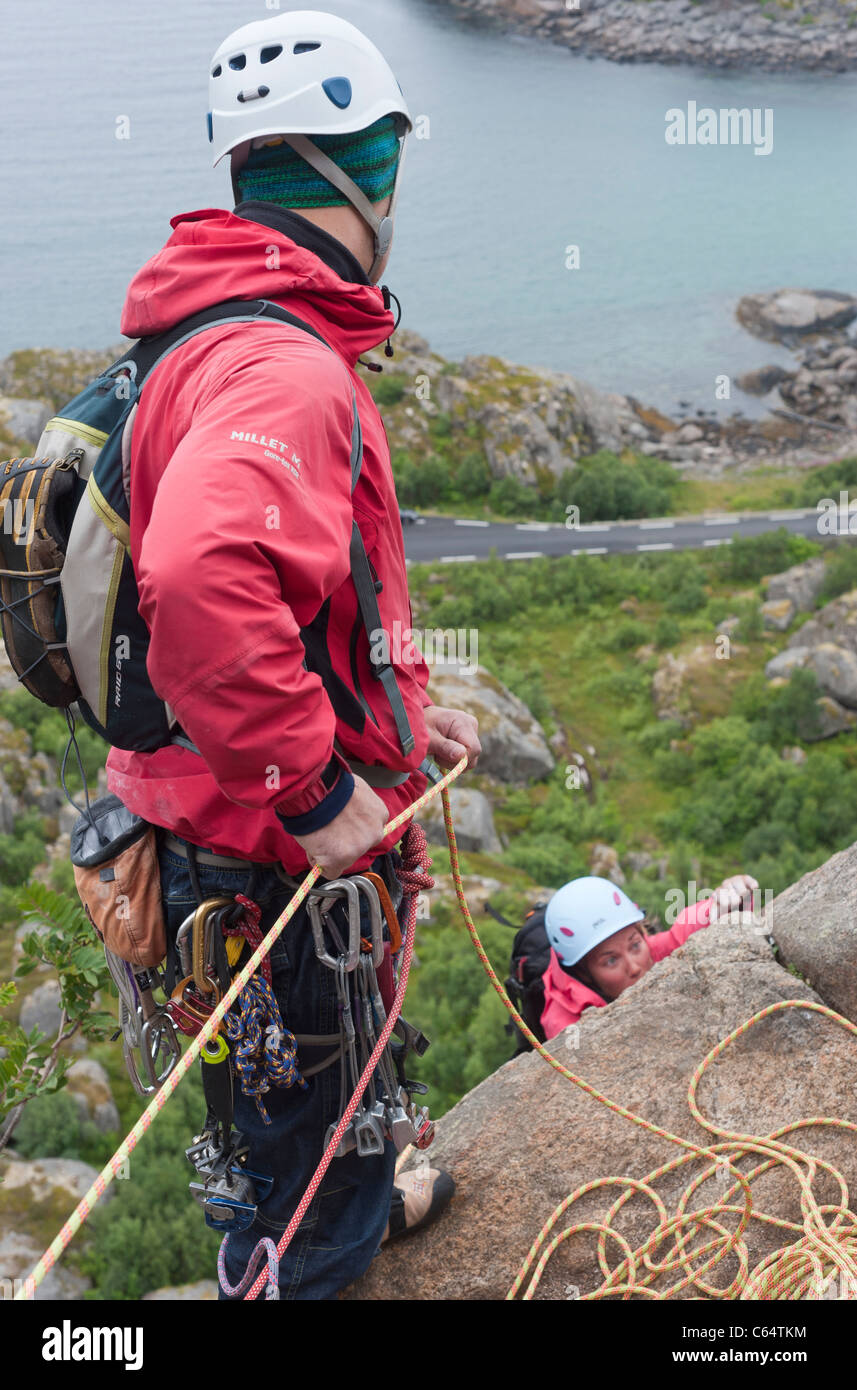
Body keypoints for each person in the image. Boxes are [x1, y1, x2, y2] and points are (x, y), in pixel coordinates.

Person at [104, 12, 480, 1299]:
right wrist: (319, 788)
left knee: (284, 1136)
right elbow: (205, 577)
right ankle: (309, 1257)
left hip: (199, 833)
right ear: (363, 175)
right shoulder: (285, 367)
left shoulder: (203, 331)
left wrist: (393, 712)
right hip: (266, 859)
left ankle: (337, 1210)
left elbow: (299, 595)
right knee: (304, 1189)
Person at [541, 873, 758, 1039]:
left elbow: (678, 937)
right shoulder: (564, 1025)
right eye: (611, 960)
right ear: (584, 973)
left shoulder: (647, 951)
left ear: (642, 934)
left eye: (635, 945)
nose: (634, 967)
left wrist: (716, 907)